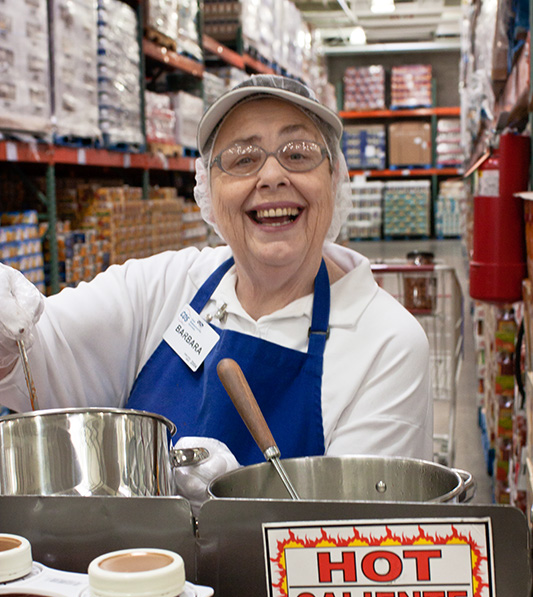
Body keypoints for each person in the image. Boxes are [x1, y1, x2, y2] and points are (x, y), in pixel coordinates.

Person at [0, 75, 433, 509]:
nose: (271, 176)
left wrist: (237, 507)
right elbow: (43, 351)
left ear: (335, 177)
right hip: (145, 574)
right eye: (243, 159)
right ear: (207, 190)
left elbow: (351, 545)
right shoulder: (164, 287)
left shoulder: (387, 343)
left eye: (297, 154)